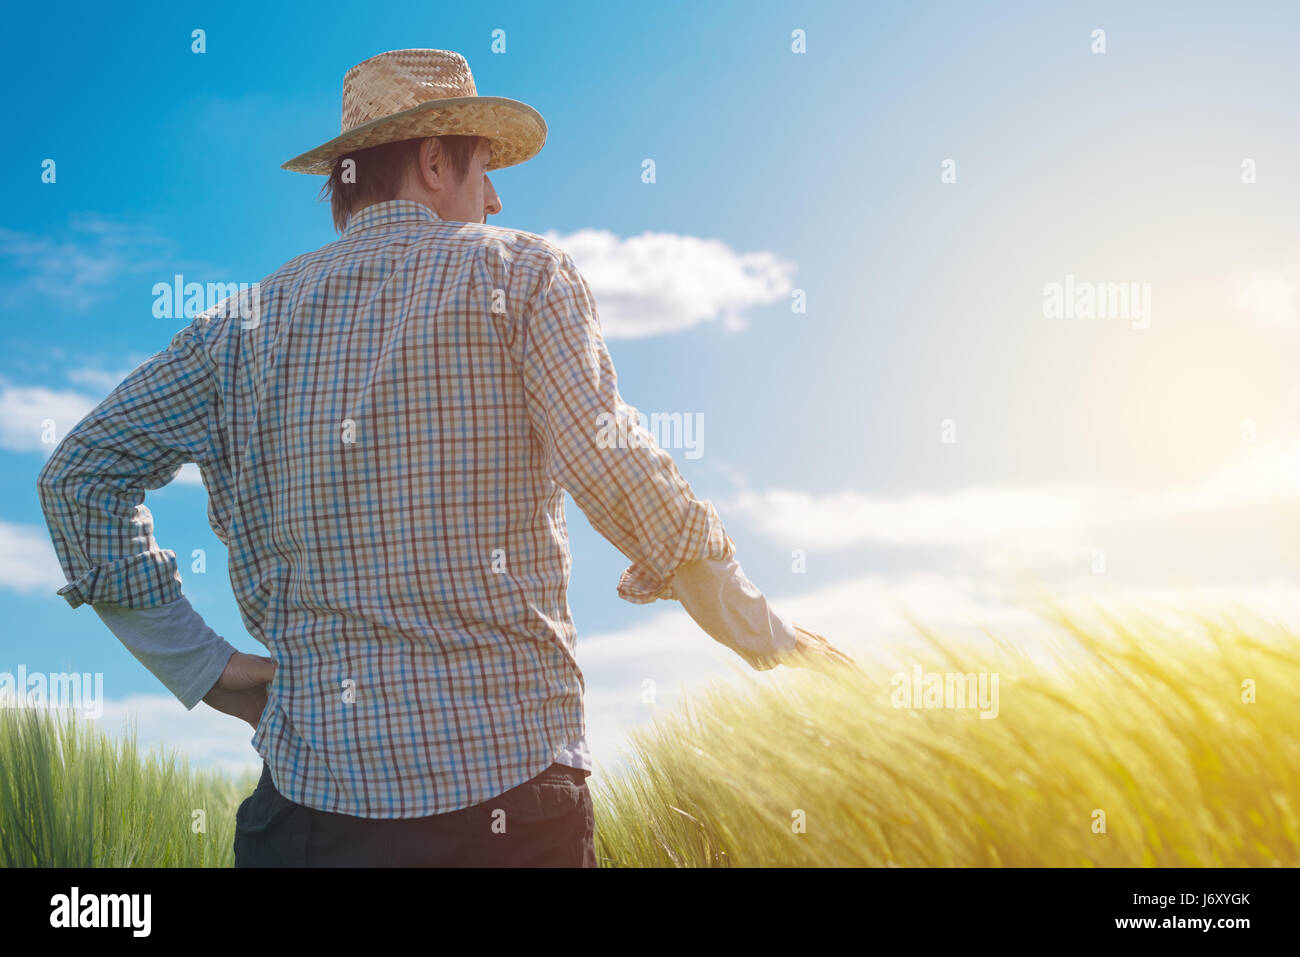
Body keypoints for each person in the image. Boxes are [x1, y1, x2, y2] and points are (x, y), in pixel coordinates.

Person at [36, 48, 854, 868]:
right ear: (433, 159)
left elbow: (77, 476)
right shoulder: (523, 273)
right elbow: (617, 470)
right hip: (509, 803)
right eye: (484, 167)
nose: (495, 197)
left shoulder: (237, 329)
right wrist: (771, 639)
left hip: (308, 810)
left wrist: (204, 667)